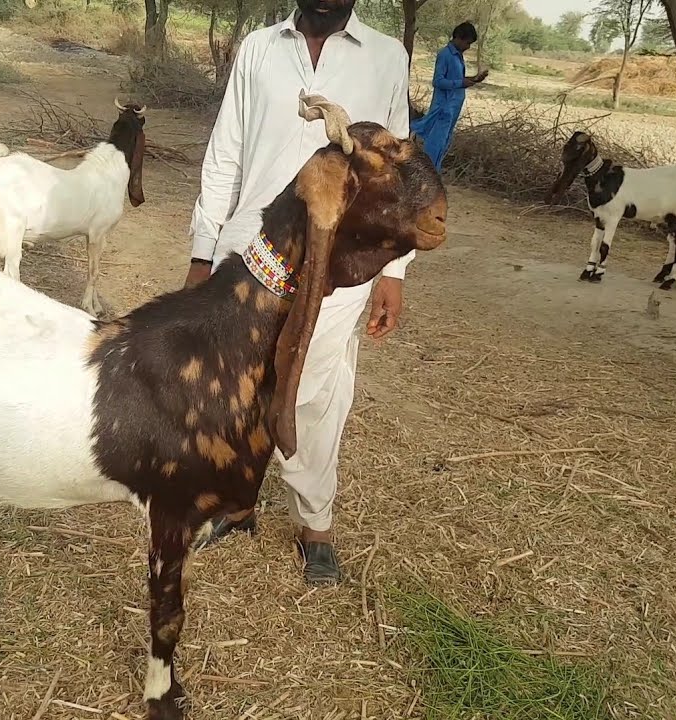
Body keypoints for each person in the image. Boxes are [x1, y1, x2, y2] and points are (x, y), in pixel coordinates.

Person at [183, 0, 412, 586]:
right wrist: (203, 253)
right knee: (238, 388)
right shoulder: (259, 49)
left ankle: (315, 524)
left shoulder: (387, 57)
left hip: (338, 263)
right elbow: (226, 153)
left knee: (311, 394)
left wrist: (394, 270)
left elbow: (395, 177)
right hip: (250, 253)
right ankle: (238, 501)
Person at [410, 22, 487, 172]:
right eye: (467, 43)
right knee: (435, 143)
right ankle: (428, 173)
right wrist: (460, 83)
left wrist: (474, 79)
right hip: (444, 108)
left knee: (443, 143)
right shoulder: (445, 55)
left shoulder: (458, 56)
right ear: (458, 37)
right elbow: (438, 81)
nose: (468, 47)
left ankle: (434, 171)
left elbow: (456, 78)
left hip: (452, 108)